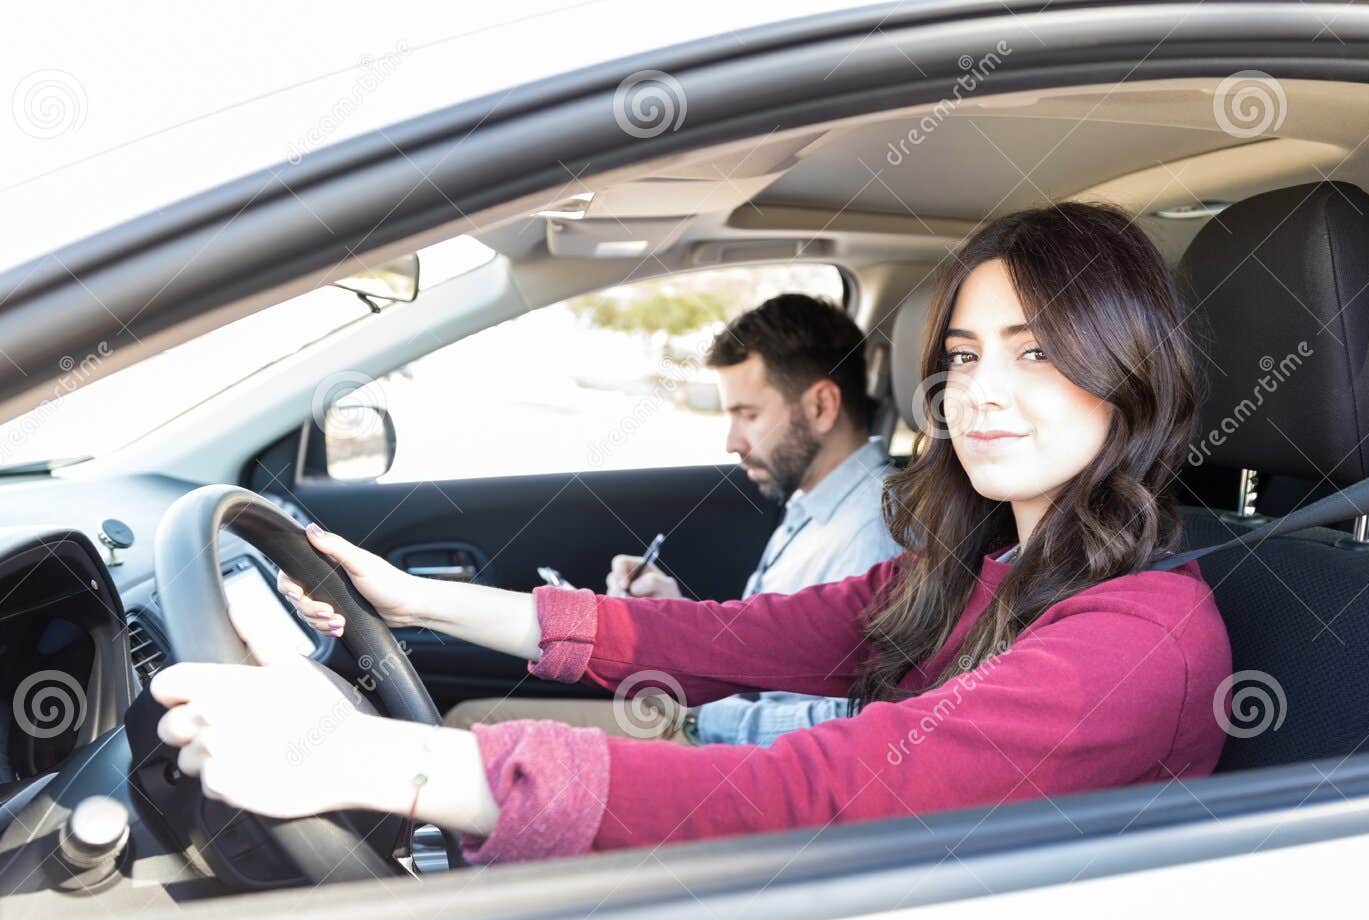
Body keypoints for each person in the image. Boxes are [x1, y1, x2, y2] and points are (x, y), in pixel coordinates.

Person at [151, 201, 1233, 865]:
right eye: (962, 355)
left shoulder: (1141, 639)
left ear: (1127, 372)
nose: (979, 391)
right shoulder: (973, 569)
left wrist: (365, 756)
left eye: (1035, 352)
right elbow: (725, 639)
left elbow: (822, 794)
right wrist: (418, 598)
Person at [441, 292, 899, 746]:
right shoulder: (816, 504)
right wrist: (671, 611)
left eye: (749, 415)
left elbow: (857, 726)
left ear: (821, 407)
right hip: (718, 727)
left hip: (743, 756)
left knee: (473, 732)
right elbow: (771, 654)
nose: (732, 442)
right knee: (476, 724)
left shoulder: (878, 530)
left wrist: (703, 717)